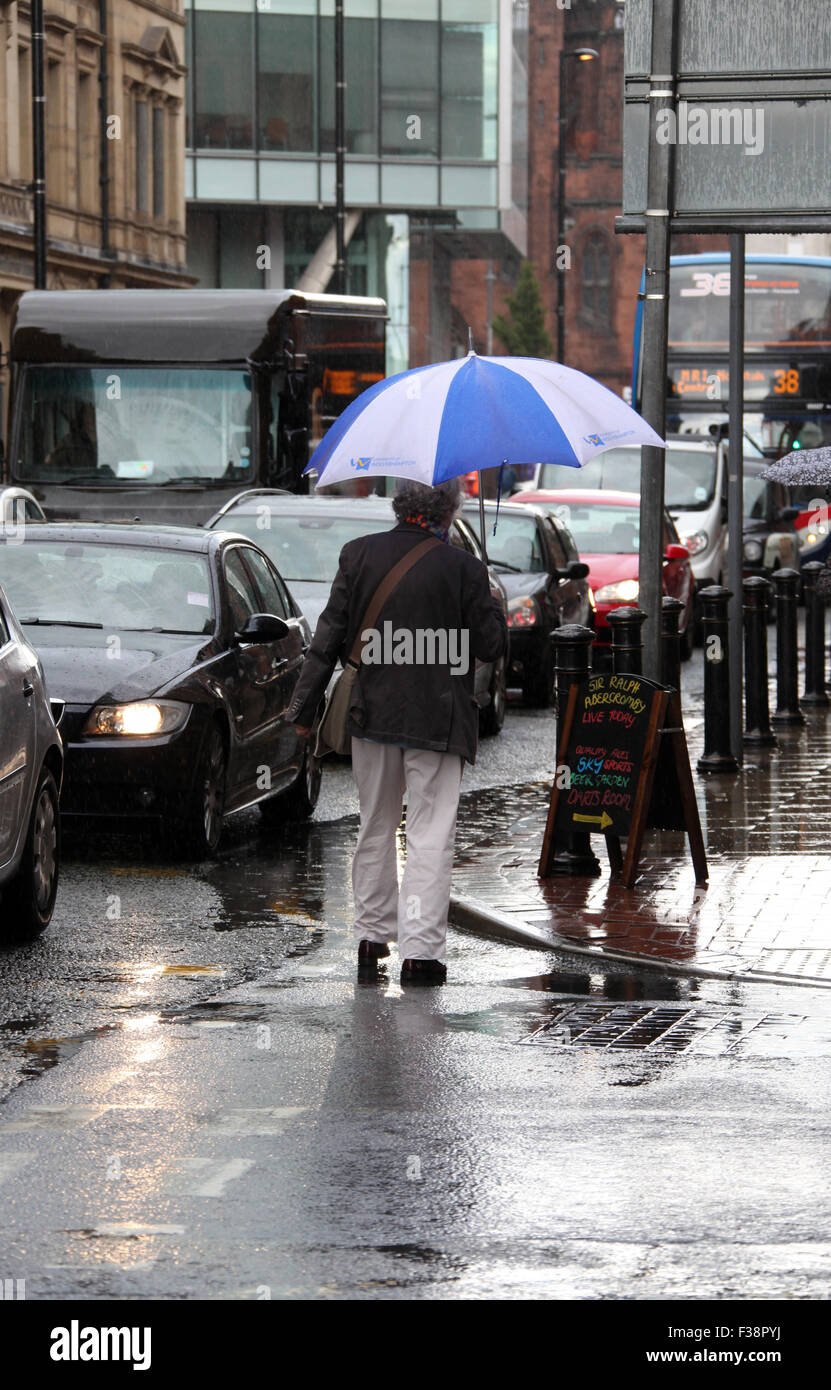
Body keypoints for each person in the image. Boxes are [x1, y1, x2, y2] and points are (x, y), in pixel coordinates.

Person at [286, 478, 508, 984]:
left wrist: (303, 709)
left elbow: (328, 639)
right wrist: (490, 599)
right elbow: (491, 646)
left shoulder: (359, 555)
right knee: (430, 832)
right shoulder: (464, 569)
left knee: (376, 825)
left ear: (399, 505)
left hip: (374, 714)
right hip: (439, 718)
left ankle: (370, 937)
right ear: (449, 510)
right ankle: (420, 953)